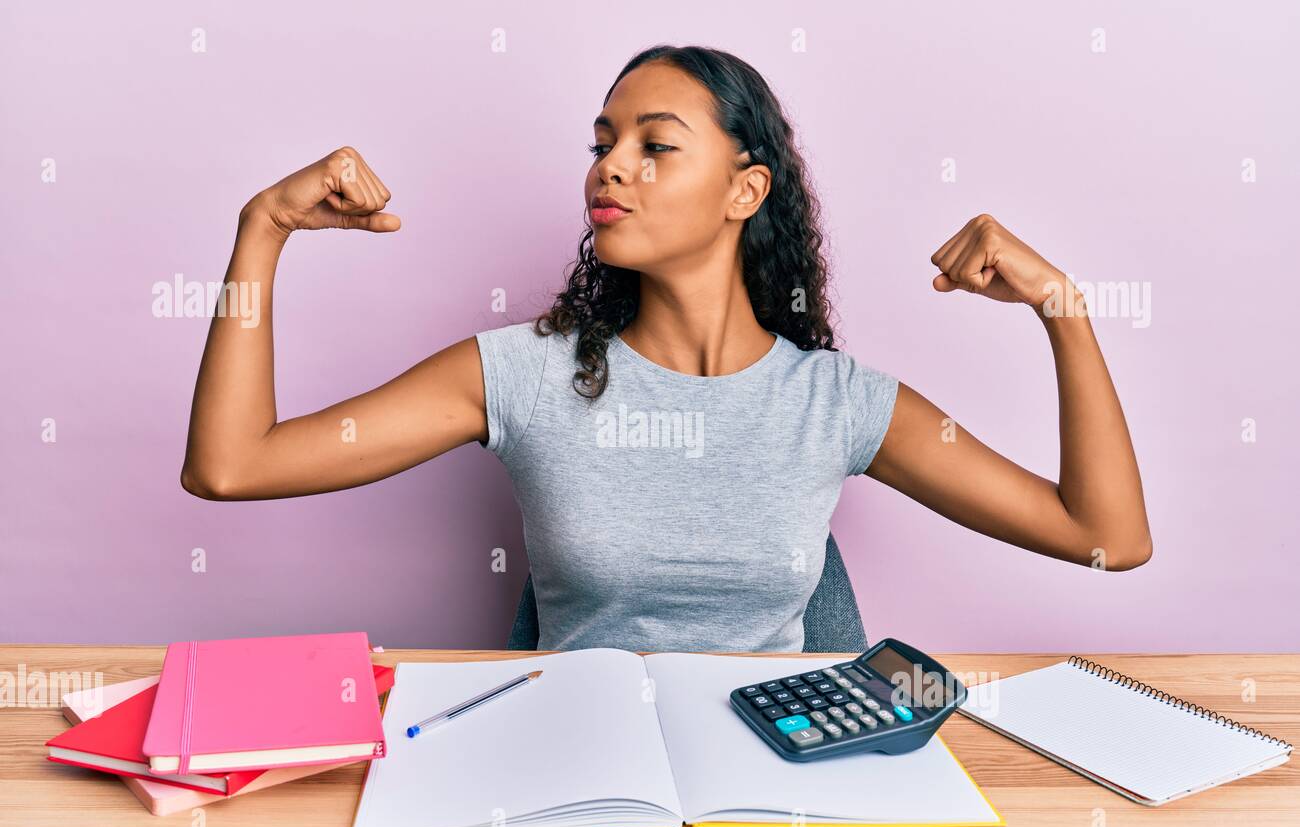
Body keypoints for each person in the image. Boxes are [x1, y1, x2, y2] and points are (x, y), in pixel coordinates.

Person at [181, 45, 1152, 654]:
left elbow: (1104, 535)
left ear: (744, 191)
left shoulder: (834, 402)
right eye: (603, 141)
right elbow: (231, 465)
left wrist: (1063, 308)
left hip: (777, 801)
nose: (610, 164)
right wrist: (261, 227)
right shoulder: (521, 372)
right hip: (575, 796)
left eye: (655, 144)